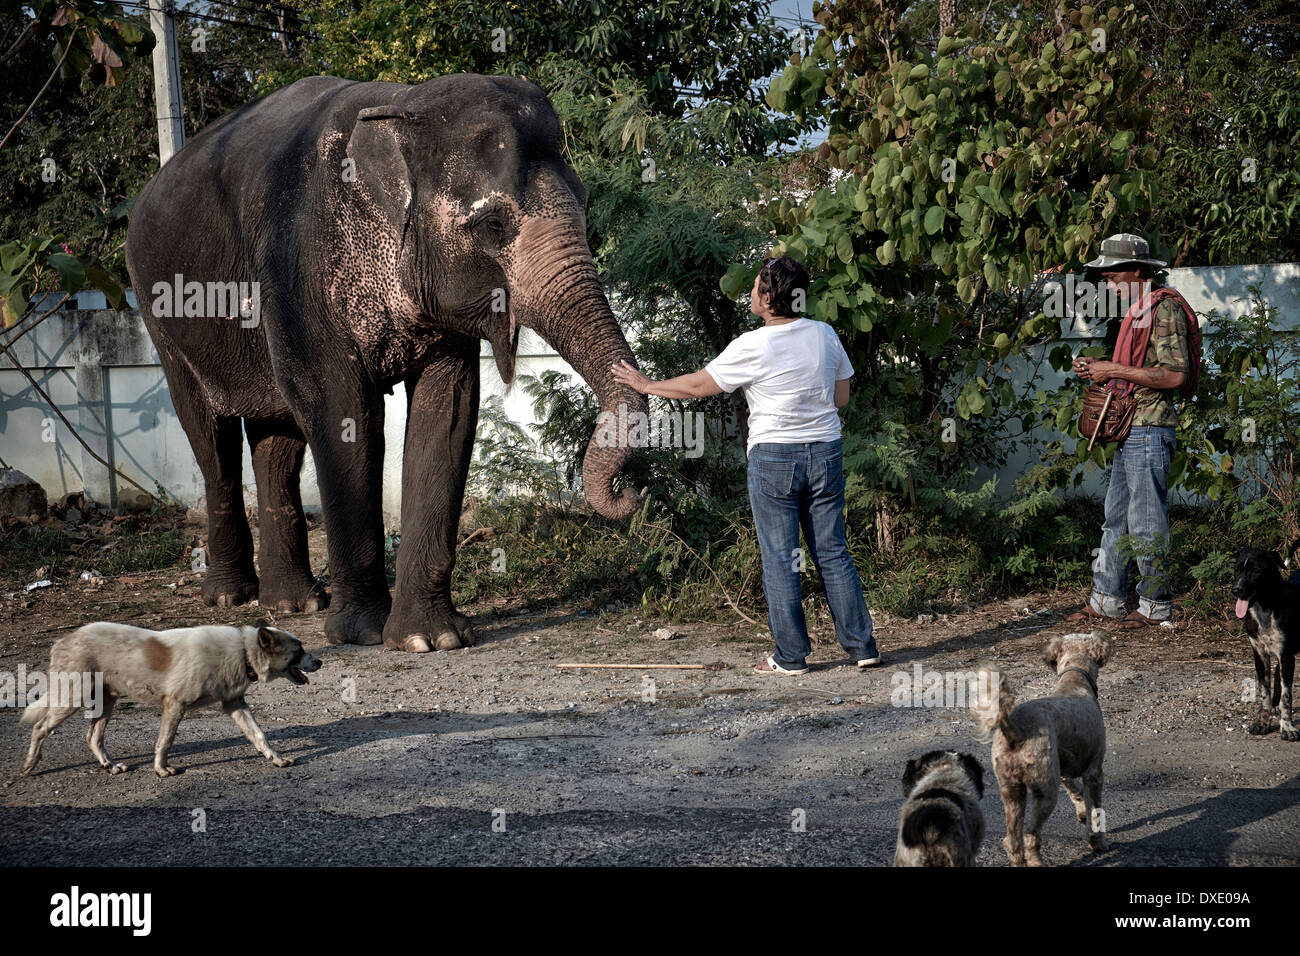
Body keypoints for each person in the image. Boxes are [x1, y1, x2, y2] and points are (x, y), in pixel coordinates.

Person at [610, 255, 881, 673]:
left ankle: (791, 656)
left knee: (780, 555)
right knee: (832, 552)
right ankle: (863, 648)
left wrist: (647, 385)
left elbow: (699, 386)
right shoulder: (825, 335)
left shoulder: (753, 345)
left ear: (769, 297)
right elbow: (840, 397)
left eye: (756, 286)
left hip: (775, 458)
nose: (751, 292)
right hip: (825, 452)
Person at [1067, 233, 1201, 628]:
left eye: (1113, 272)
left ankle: (1155, 604)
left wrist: (1113, 370)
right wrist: (1100, 367)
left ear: (1139, 271)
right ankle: (1107, 598)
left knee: (1145, 520)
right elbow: (1141, 371)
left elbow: (1176, 375)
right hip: (1132, 429)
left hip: (1150, 428)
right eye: (1104, 273)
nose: (1107, 280)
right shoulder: (1139, 311)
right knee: (1115, 518)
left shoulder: (1163, 311)